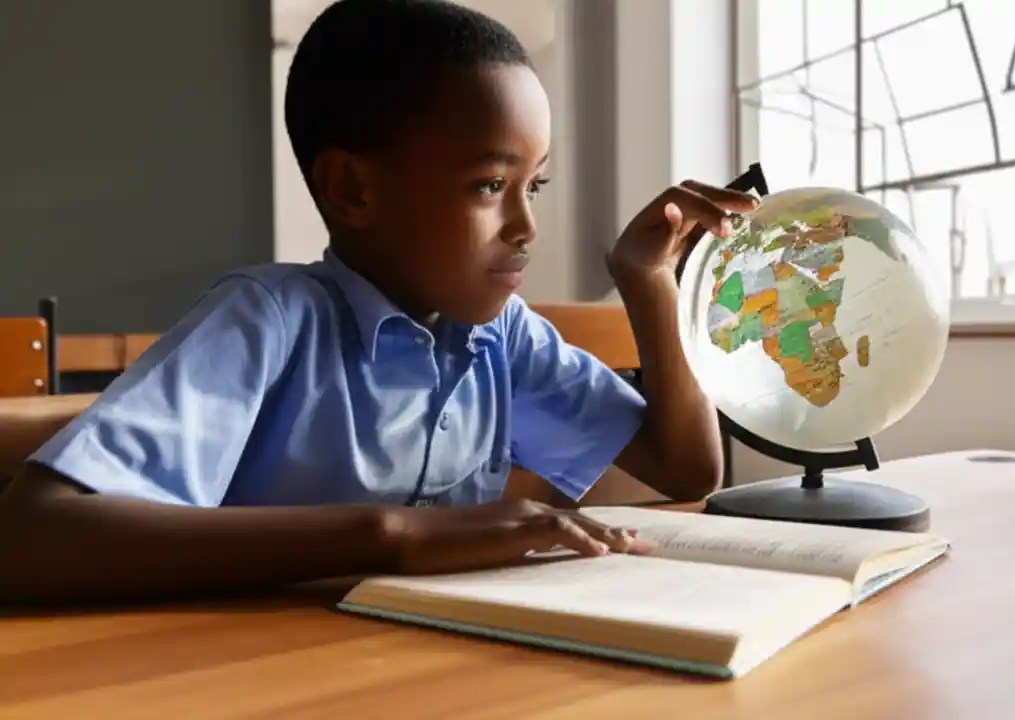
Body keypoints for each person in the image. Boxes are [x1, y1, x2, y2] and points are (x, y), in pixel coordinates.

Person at [0, 0, 755, 604]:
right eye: (491, 187)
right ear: (352, 189)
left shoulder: (500, 337)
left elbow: (686, 470)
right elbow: (30, 537)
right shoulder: (266, 320)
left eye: (536, 186)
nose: (526, 226)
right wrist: (398, 535)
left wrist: (651, 281)